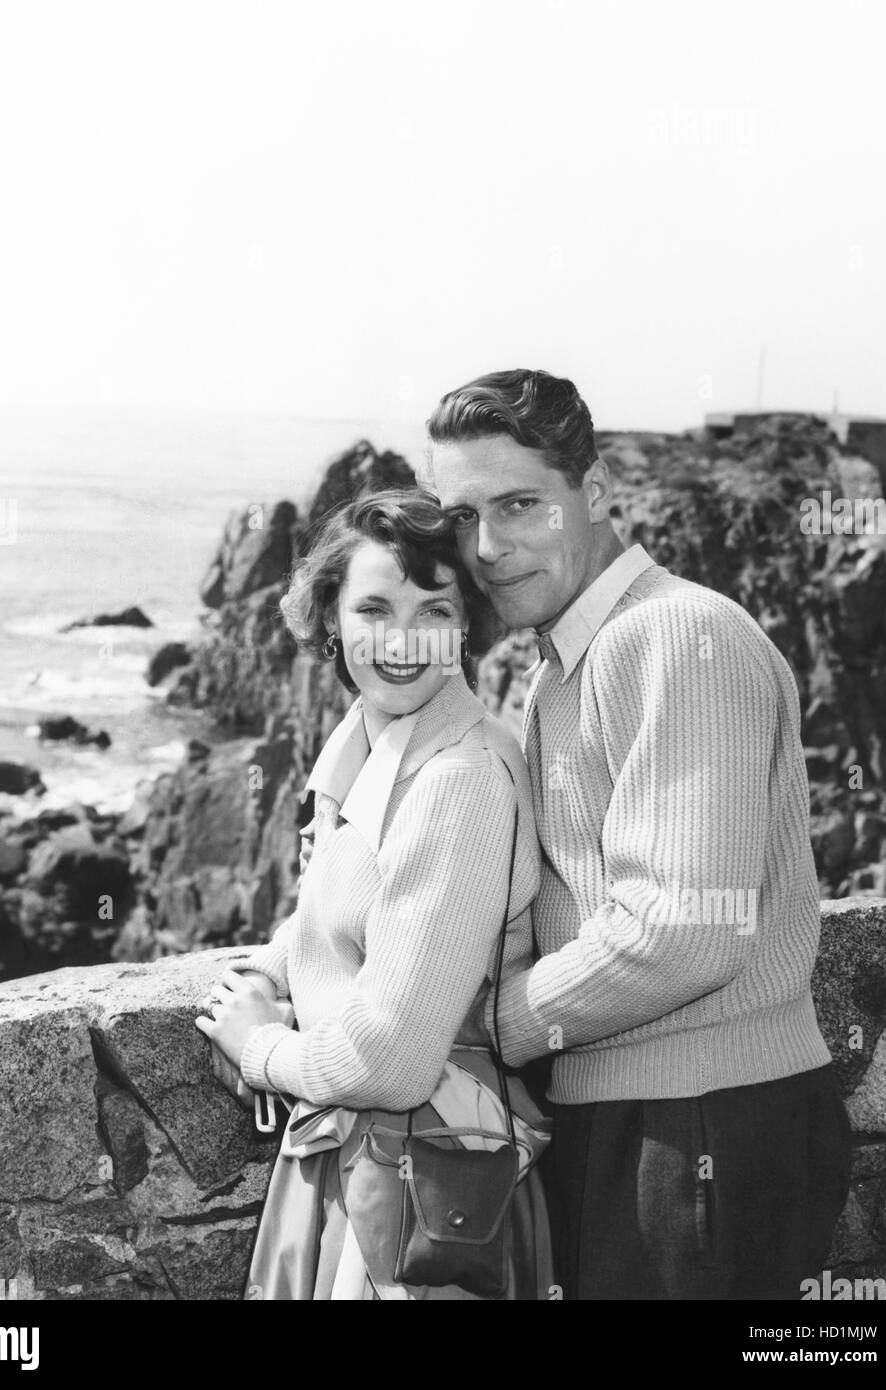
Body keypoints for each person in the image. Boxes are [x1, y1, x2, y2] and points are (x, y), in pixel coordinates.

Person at [425, 367, 852, 1301]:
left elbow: (684, 927)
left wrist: (484, 1029)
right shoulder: (563, 666)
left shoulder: (672, 636)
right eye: (459, 518)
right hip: (643, 1116)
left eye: (520, 505)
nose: (488, 548)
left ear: (598, 493)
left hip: (702, 1127)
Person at [195, 489, 554, 1300]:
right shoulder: (368, 741)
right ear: (330, 619)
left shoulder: (460, 777)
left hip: (427, 1176)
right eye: (372, 607)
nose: (400, 640)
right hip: (363, 1155)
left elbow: (390, 1062)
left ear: (468, 628)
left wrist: (261, 1051)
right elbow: (332, 911)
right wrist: (266, 972)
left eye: (434, 610)